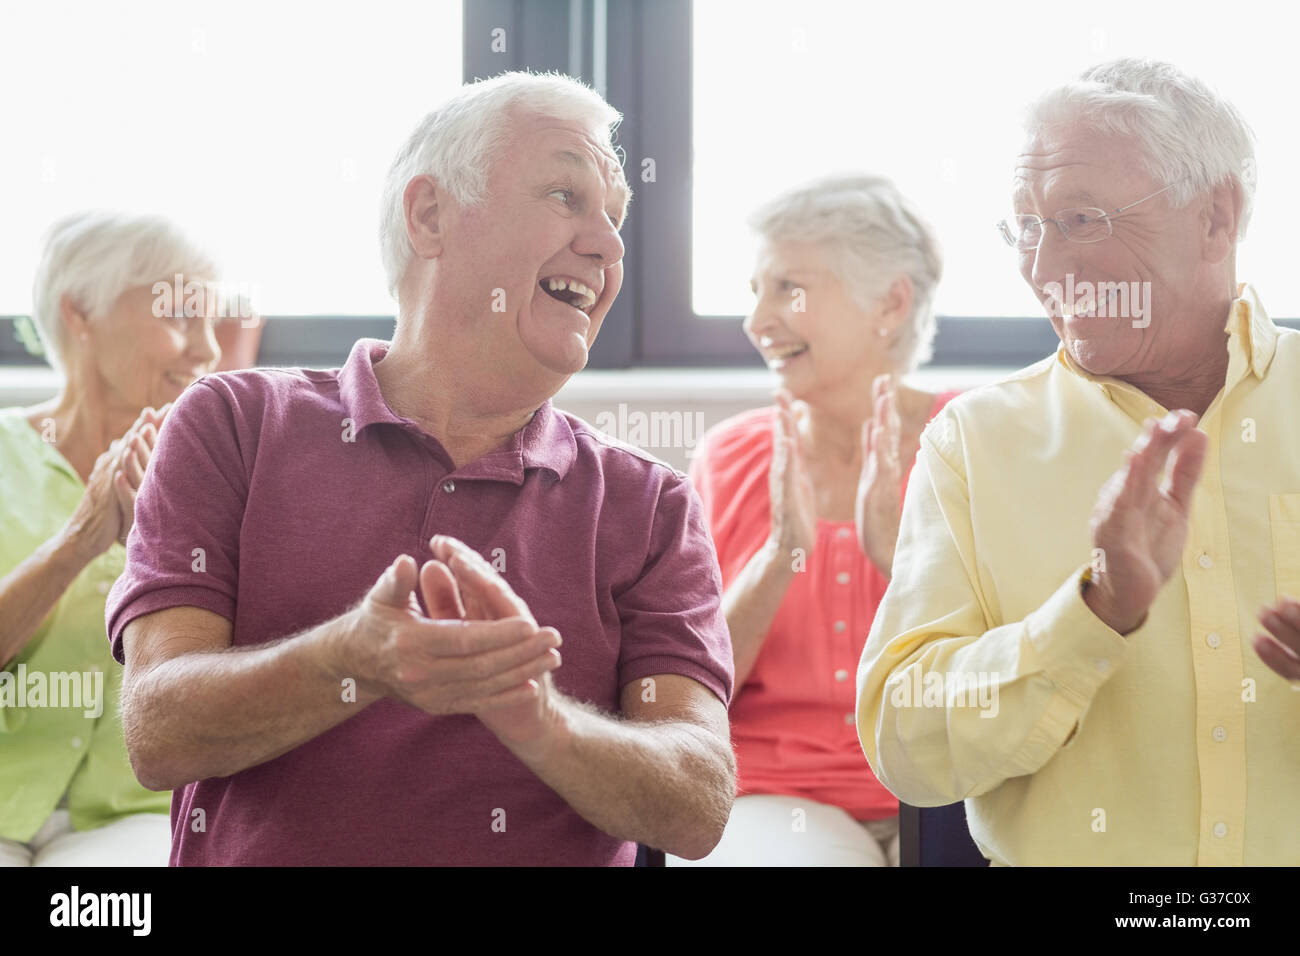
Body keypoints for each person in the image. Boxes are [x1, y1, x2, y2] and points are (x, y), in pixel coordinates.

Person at [105, 71, 736, 866]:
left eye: (614, 220)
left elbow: (698, 805)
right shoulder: (231, 424)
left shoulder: (651, 506)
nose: (609, 244)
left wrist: (541, 719)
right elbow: (158, 733)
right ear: (431, 214)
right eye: (566, 197)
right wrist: (351, 661)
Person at [858, 58, 1300, 865]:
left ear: (1216, 216)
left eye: (1081, 219)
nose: (1043, 266)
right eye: (1025, 226)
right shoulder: (974, 444)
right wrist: (1092, 613)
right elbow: (906, 745)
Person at [671, 175, 958, 865]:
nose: (757, 321)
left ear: (890, 303)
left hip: (953, 787)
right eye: (754, 291)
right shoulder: (732, 456)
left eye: (787, 289)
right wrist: (779, 559)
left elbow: (1019, 665)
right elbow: (691, 694)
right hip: (777, 801)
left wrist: (901, 567)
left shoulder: (974, 443)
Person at [0, 211, 223, 865]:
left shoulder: (217, 475)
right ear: (80, 313)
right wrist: (80, 539)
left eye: (213, 323)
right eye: (181, 315)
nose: (205, 348)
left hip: (139, 814)